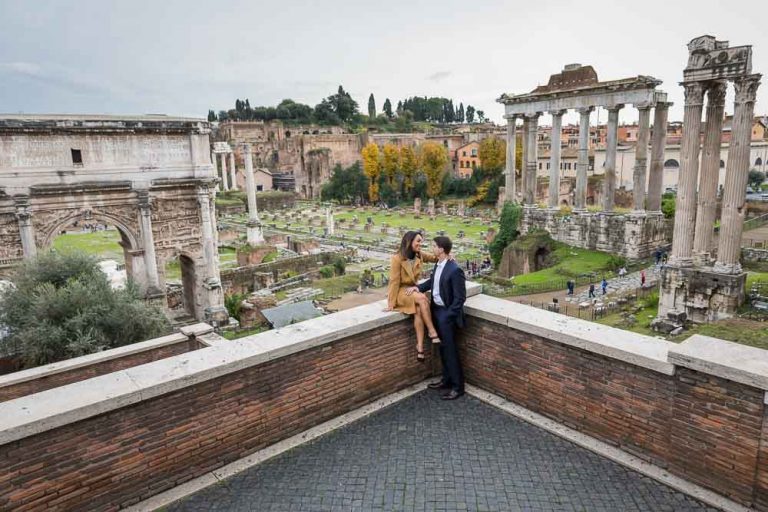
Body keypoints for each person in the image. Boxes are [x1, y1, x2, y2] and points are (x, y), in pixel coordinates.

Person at [409, 236, 467, 400]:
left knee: (450, 351)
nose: (432, 248)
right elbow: (433, 282)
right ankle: (446, 380)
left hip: (446, 315)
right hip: (436, 311)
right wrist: (417, 288)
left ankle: (458, 387)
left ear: (441, 249)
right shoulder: (439, 264)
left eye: (434, 246)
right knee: (442, 350)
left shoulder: (455, 270)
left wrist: (448, 316)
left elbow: (460, 298)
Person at [386, 231, 441, 363]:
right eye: (418, 241)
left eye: (421, 241)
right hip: (401, 291)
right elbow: (394, 282)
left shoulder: (419, 255)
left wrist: (447, 255)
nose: (420, 244)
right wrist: (391, 303)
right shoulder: (397, 258)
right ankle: (432, 331)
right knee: (422, 298)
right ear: (409, 241)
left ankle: (420, 347)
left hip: (412, 290)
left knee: (417, 311)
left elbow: (435, 258)